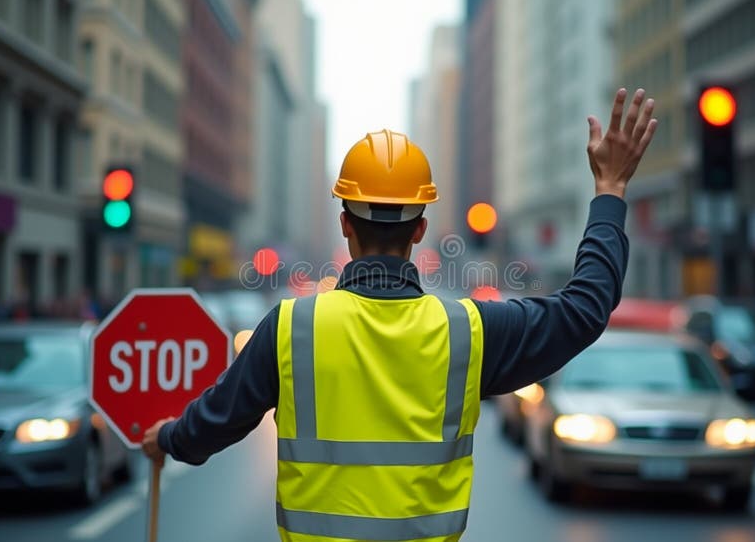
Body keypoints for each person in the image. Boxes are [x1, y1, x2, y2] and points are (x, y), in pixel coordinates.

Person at [143, 88, 657, 541]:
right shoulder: (468, 331)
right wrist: (609, 190)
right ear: (419, 229)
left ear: (345, 223)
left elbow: (210, 427)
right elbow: (587, 308)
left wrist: (167, 437)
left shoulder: (291, 328)